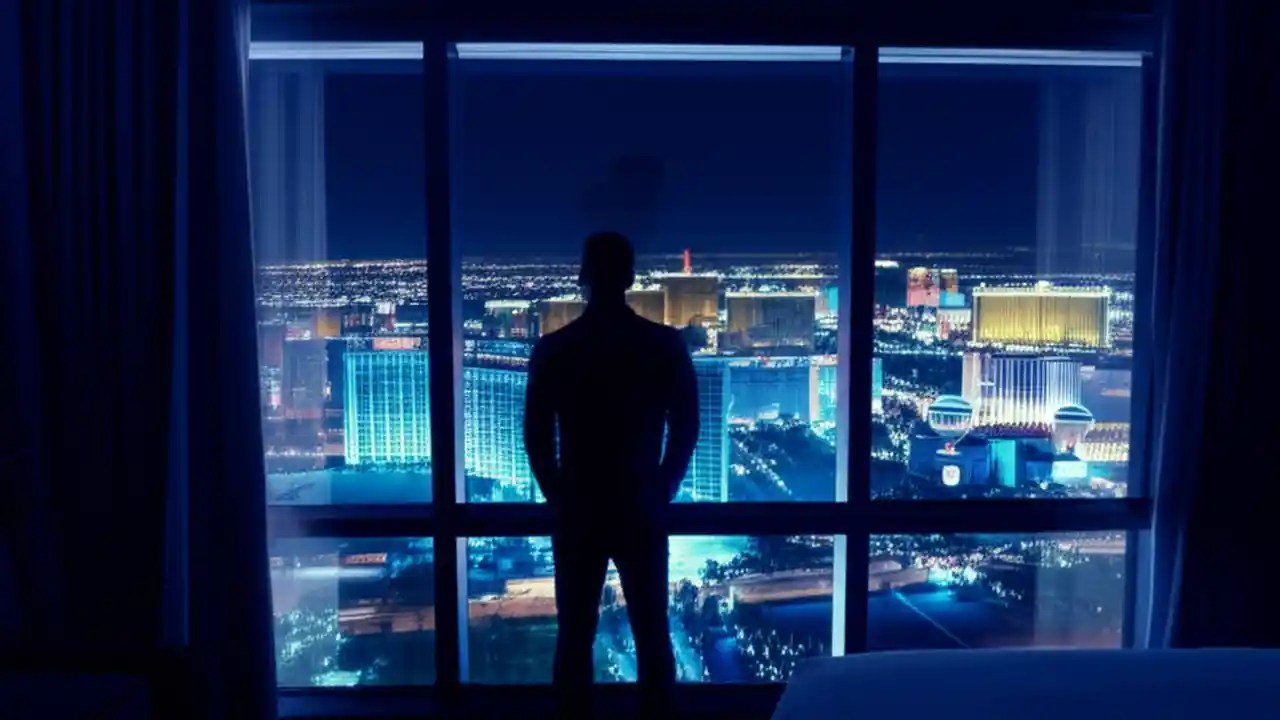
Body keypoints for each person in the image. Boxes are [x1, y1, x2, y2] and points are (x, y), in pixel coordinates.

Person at [524, 231, 700, 717]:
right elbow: (687, 424)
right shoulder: (662, 345)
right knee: (651, 633)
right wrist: (664, 484)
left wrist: (556, 494)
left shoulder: (556, 350)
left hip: (579, 508)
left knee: (575, 636)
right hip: (641, 506)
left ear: (584, 277)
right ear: (628, 277)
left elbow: (536, 437)